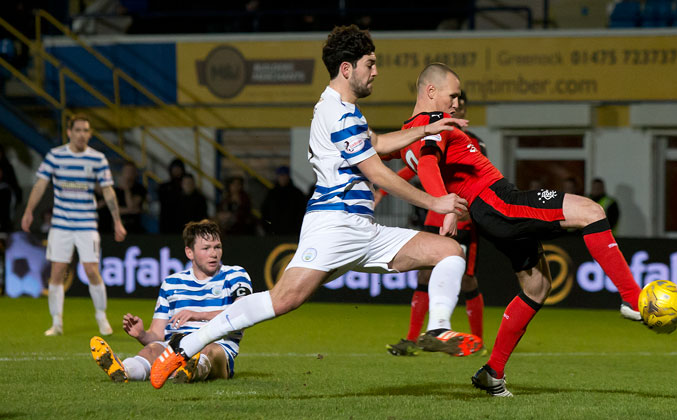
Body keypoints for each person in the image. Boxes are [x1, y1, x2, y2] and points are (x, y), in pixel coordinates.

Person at [149, 25, 473, 389]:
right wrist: (436, 202)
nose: (376, 71)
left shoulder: (347, 111)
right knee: (283, 299)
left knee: (449, 250)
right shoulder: (336, 113)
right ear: (347, 69)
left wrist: (428, 129)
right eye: (371, 63)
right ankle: (184, 345)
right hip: (334, 225)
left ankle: (438, 329)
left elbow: (378, 142)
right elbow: (376, 172)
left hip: (362, 229)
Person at [391, 63, 645, 396]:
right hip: (498, 201)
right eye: (452, 95)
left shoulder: (410, 130)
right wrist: (443, 204)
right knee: (591, 210)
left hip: (489, 211)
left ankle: (492, 373)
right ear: (431, 91)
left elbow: (394, 154)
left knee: (537, 285)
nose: (456, 103)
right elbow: (426, 163)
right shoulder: (433, 124)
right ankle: (633, 299)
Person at [383, 90, 487, 356]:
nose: (455, 108)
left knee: (467, 281)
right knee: (424, 273)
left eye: (460, 105)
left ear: (464, 112)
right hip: (436, 215)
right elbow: (416, 163)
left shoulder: (472, 142)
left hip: (461, 218)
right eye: (452, 103)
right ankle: (412, 339)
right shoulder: (432, 137)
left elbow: (478, 176)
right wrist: (382, 189)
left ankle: (477, 340)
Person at [89, 219, 252, 384]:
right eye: (206, 248)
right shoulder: (172, 283)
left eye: (217, 247)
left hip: (218, 347)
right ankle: (123, 371)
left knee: (208, 351)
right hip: (176, 347)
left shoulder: (235, 274)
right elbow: (157, 335)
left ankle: (189, 368)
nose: (214, 253)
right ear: (190, 252)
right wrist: (142, 334)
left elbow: (244, 313)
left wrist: (199, 315)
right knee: (152, 350)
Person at [20, 114, 128, 336]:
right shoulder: (55, 156)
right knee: (57, 271)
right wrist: (29, 211)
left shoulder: (97, 158)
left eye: (86, 130)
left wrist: (117, 220)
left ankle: (101, 317)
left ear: (89, 133)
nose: (82, 134)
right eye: (77, 130)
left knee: (91, 270)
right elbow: (40, 185)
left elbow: (108, 190)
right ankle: (56, 323)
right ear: (69, 132)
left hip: (87, 224)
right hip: (61, 225)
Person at [99, 161, 147, 234]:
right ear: (122, 173)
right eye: (126, 171)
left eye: (131, 171)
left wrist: (127, 189)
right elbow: (115, 210)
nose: (128, 174)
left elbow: (132, 205)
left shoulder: (140, 189)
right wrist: (130, 210)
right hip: (117, 225)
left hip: (134, 226)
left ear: (135, 173)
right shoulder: (115, 190)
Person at [261, 166, 306, 235]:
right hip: (274, 232)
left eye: (284, 175)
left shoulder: (296, 193)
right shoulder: (272, 193)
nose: (283, 178)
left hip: (292, 232)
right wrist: (268, 227)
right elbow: (265, 211)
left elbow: (301, 211)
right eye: (281, 175)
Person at [158, 159, 186, 234]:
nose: (176, 170)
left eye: (178, 168)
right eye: (174, 168)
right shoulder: (164, 187)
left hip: (183, 223)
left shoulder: (186, 187)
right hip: (167, 223)